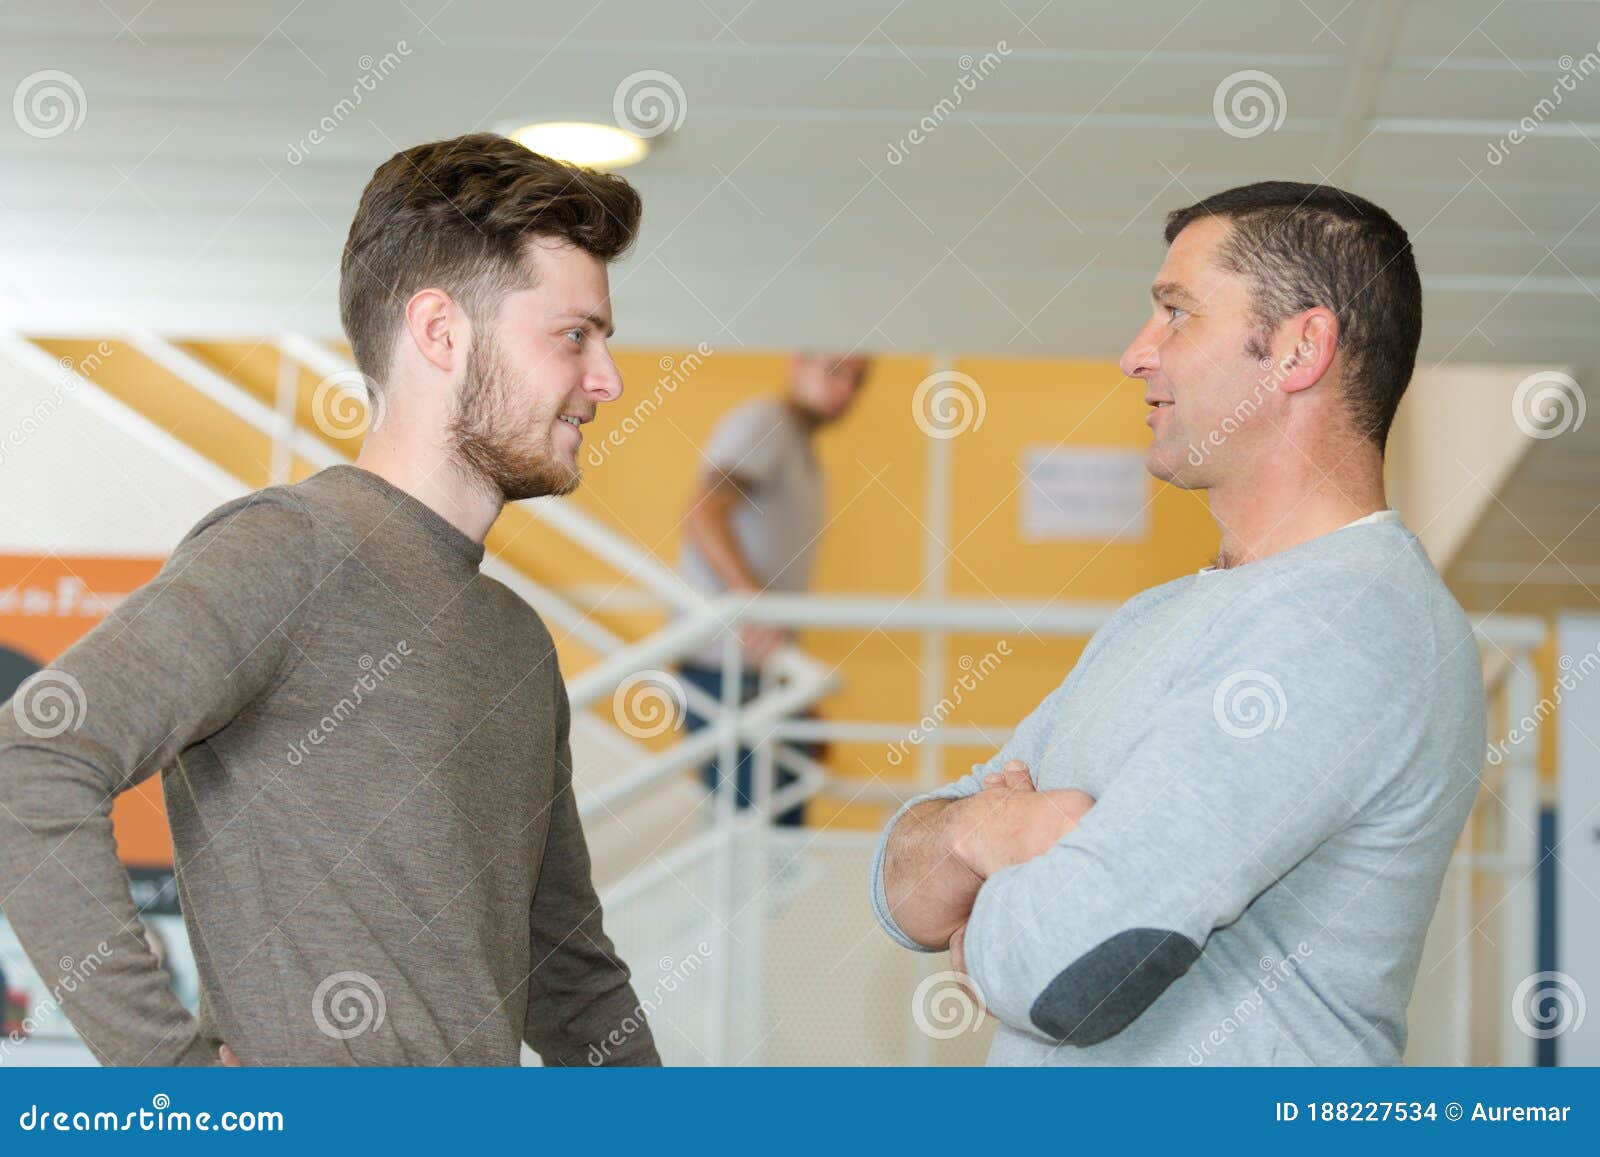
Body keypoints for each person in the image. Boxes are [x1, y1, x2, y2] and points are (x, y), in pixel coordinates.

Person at [0, 133, 660, 1067]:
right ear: (441, 331)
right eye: (573, 335)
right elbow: (30, 760)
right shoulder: (290, 550)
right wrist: (173, 1086)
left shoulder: (517, 643)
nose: (607, 378)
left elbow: (571, 977)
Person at [871, 181, 1485, 1066]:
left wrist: (990, 900)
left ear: (1298, 349)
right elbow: (899, 893)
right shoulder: (1157, 616)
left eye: (1175, 314)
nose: (1135, 353)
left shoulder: (1354, 623)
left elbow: (1066, 970)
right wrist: (986, 831)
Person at [678, 353, 870, 826]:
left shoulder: (798, 444)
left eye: (857, 380)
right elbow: (703, 511)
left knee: (778, 843)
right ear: (797, 363)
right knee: (753, 847)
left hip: (763, 675)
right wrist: (752, 606)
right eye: (834, 370)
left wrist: (802, 696)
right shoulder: (765, 422)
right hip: (724, 673)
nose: (845, 390)